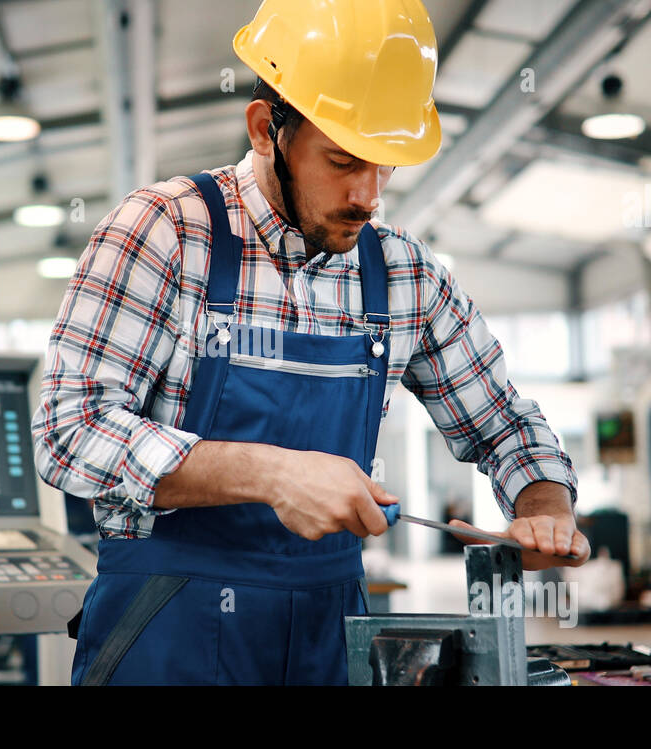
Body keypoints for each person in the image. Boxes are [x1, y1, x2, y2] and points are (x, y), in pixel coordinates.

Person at [31, 0, 589, 686]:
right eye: (343, 159)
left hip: (330, 648)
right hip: (163, 635)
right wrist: (272, 474)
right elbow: (68, 430)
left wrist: (542, 508)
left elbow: (505, 422)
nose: (367, 194)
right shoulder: (165, 231)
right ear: (267, 129)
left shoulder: (405, 275)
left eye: (386, 164)